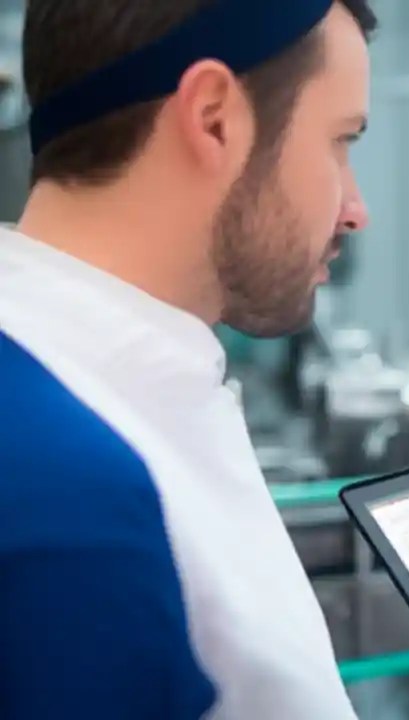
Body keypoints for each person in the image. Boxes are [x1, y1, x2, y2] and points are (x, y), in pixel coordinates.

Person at [0, 1, 375, 717]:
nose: (356, 207)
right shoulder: (69, 493)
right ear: (213, 118)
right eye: (340, 140)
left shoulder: (93, 387)